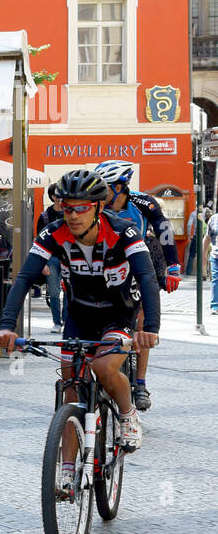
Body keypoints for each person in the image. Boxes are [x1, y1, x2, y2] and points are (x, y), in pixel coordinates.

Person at [0, 170, 160, 486]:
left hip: (118, 315)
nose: (72, 215)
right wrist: (7, 326)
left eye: (81, 208)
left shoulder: (124, 233)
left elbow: (148, 278)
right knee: (72, 383)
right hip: (79, 316)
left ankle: (127, 415)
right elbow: (24, 278)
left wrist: (149, 327)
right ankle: (68, 472)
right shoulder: (53, 233)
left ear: (98, 207)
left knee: (103, 366)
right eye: (67, 207)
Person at [93, 160, 181, 412]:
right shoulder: (96, 204)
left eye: (105, 187)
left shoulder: (144, 203)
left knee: (141, 324)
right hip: (104, 266)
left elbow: (164, 231)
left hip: (136, 265)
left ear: (119, 187)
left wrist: (173, 266)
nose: (99, 191)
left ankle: (140, 383)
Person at [35, 194, 65, 333]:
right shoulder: (45, 216)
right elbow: (39, 241)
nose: (61, 200)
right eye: (58, 197)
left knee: (69, 291)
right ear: (53, 197)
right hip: (51, 258)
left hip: (68, 257)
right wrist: (42, 263)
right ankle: (57, 322)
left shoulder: (70, 214)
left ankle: (66, 320)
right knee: (53, 292)